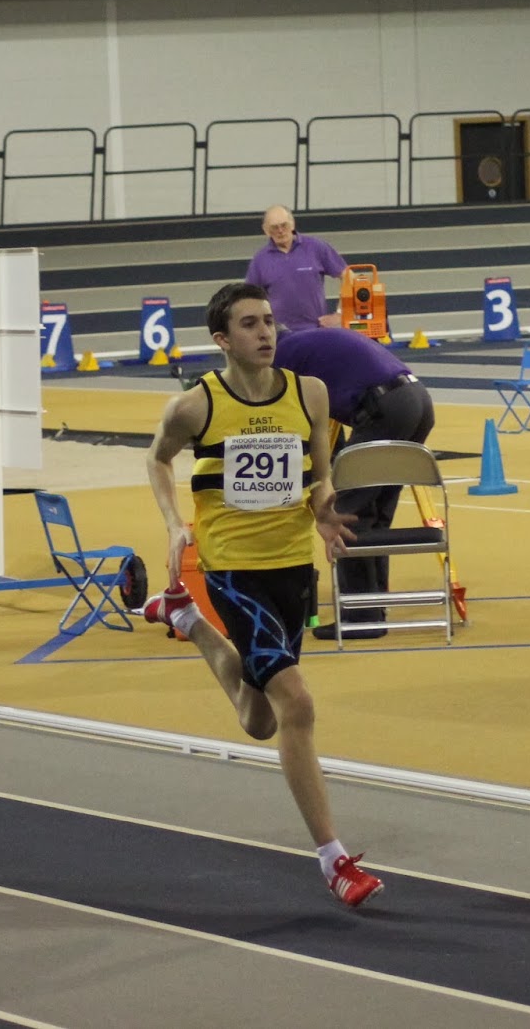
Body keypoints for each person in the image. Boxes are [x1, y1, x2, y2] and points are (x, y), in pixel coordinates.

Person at [141, 282, 383, 909]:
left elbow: (320, 474)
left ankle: (186, 619)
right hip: (233, 570)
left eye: (269, 321)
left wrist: (324, 510)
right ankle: (334, 860)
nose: (266, 332)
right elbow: (158, 460)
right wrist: (173, 523)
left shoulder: (310, 394)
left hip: (292, 567)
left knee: (261, 720)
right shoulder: (195, 406)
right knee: (296, 703)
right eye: (249, 324)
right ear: (222, 339)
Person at [272, 327, 436, 640]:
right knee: (373, 514)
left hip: (384, 408)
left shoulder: (282, 356)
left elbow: (295, 422)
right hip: (416, 401)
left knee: (344, 513)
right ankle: (373, 606)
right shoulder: (311, 343)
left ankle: (361, 616)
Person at [243, 204, 348, 333]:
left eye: (284, 225)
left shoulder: (316, 247)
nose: (280, 231)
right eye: (274, 227)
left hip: (315, 331)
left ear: (292, 224)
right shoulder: (260, 260)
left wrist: (339, 313)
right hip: (279, 335)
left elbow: (348, 276)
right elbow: (248, 298)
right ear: (266, 230)